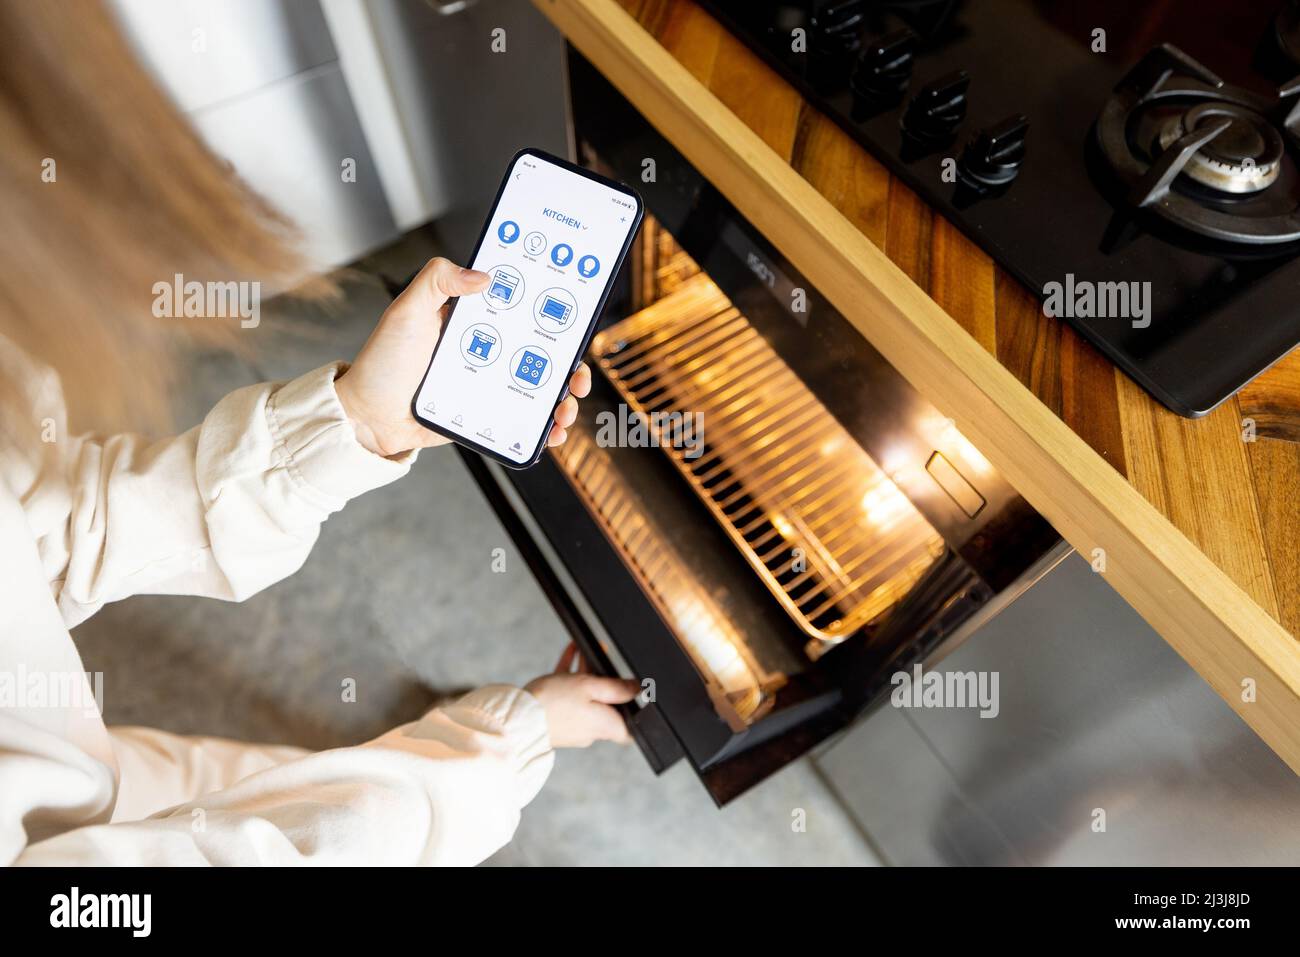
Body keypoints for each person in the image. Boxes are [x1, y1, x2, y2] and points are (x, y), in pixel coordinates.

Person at [0, 2, 638, 866]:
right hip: (69, 820)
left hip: (69, 767)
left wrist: (360, 420)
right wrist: (504, 742)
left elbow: (56, 532)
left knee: (265, 779)